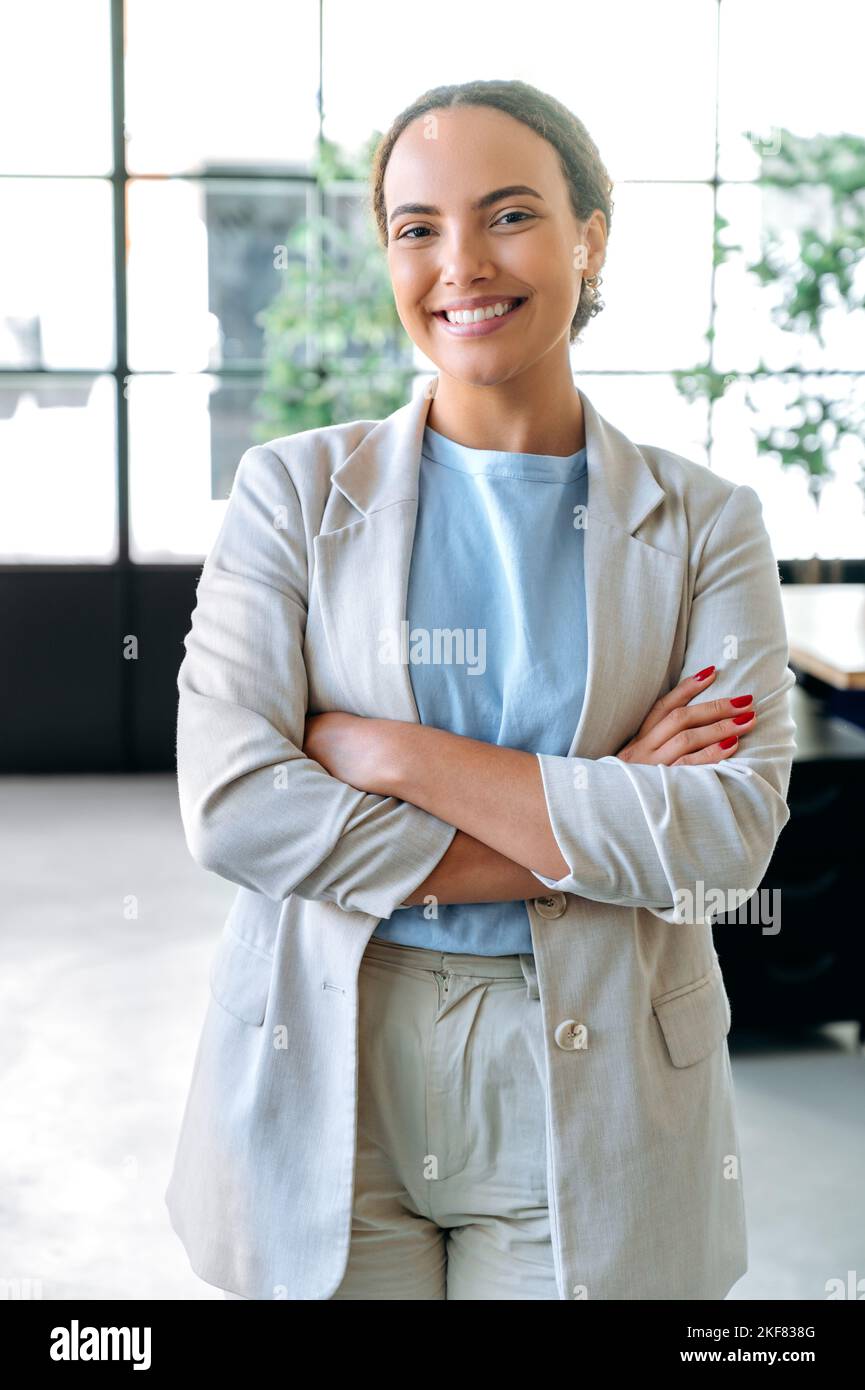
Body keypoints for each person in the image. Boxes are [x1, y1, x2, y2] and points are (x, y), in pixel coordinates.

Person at [165, 79, 797, 1301]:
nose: (461, 264)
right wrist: (604, 810)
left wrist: (395, 754)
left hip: (599, 1059)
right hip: (330, 1049)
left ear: (589, 235)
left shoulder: (708, 525)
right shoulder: (290, 495)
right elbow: (236, 806)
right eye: (417, 227)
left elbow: (725, 838)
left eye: (509, 214)